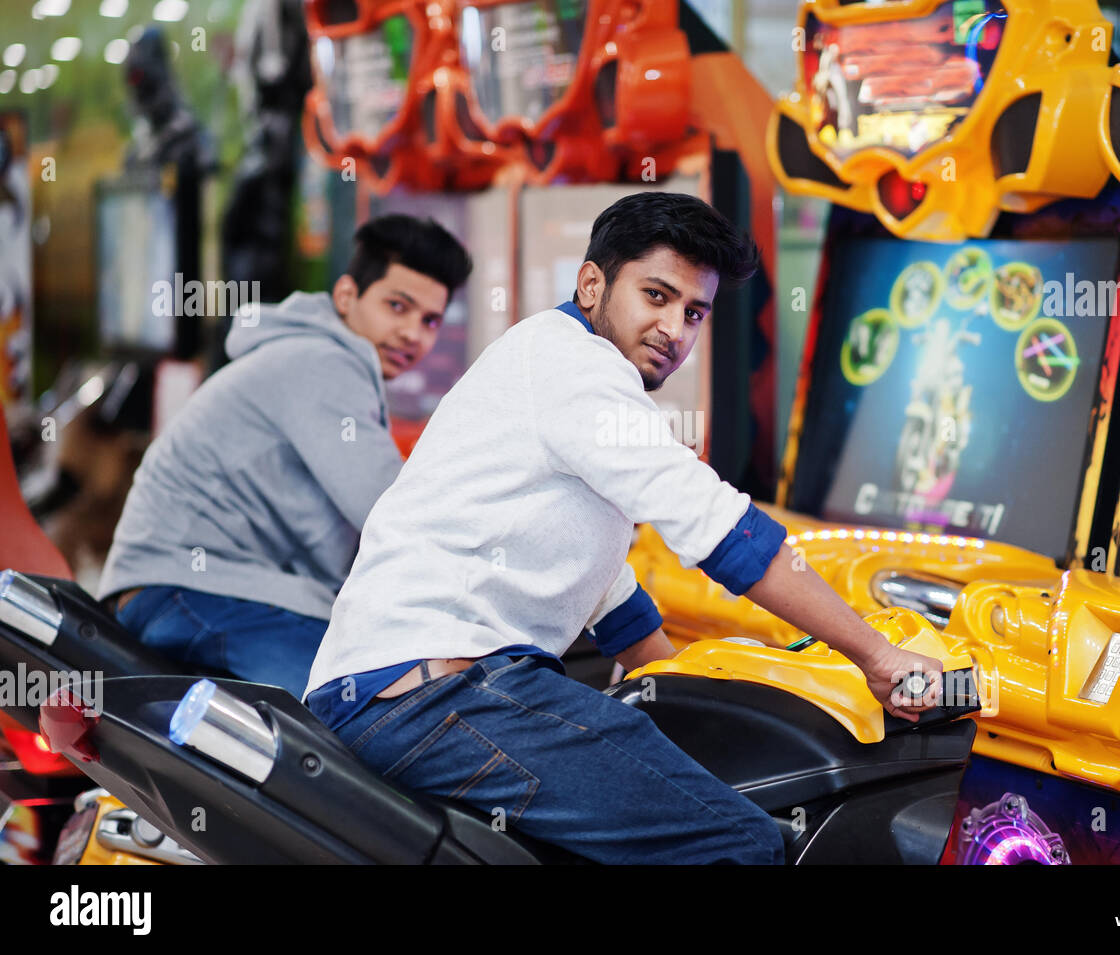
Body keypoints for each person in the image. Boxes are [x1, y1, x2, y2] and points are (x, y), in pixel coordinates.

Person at [304, 192, 941, 864]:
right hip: (438, 695)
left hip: (402, 688)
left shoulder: (546, 355)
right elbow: (720, 527)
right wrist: (879, 656)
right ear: (592, 283)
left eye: (694, 312)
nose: (674, 327)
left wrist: (669, 684)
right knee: (742, 844)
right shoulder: (581, 371)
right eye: (656, 295)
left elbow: (606, 582)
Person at [98, 215, 471, 697]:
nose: (411, 334)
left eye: (429, 321)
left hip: (178, 589)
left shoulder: (315, 356)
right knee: (368, 703)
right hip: (187, 589)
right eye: (397, 306)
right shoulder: (322, 363)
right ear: (346, 297)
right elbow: (394, 511)